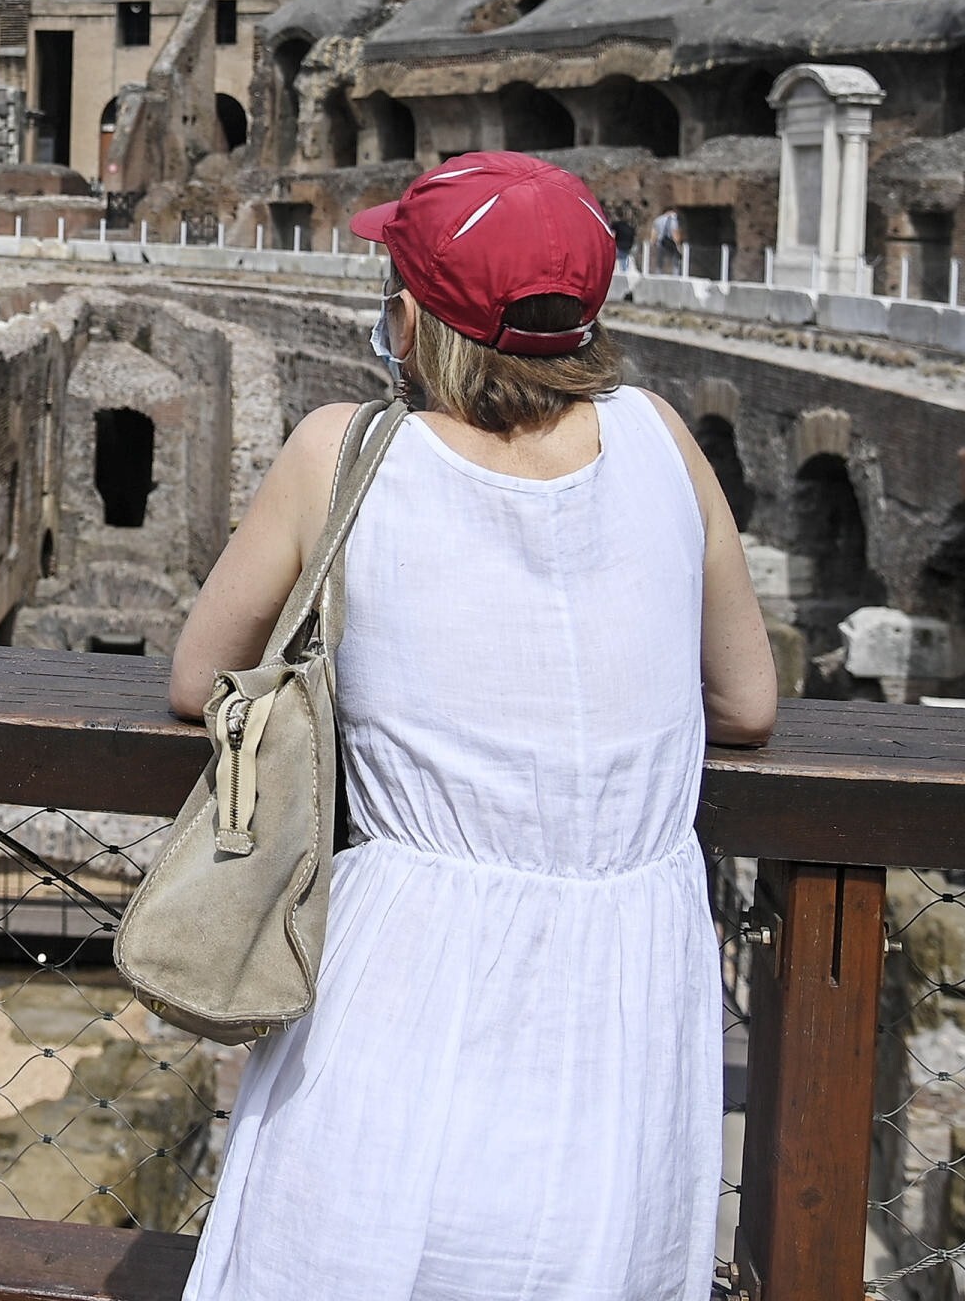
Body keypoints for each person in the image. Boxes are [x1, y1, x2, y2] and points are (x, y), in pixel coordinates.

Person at [170, 151, 778, 1301]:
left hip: (413, 961)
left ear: (410, 317)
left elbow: (205, 674)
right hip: (624, 983)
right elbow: (747, 702)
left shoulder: (343, 452)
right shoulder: (659, 436)